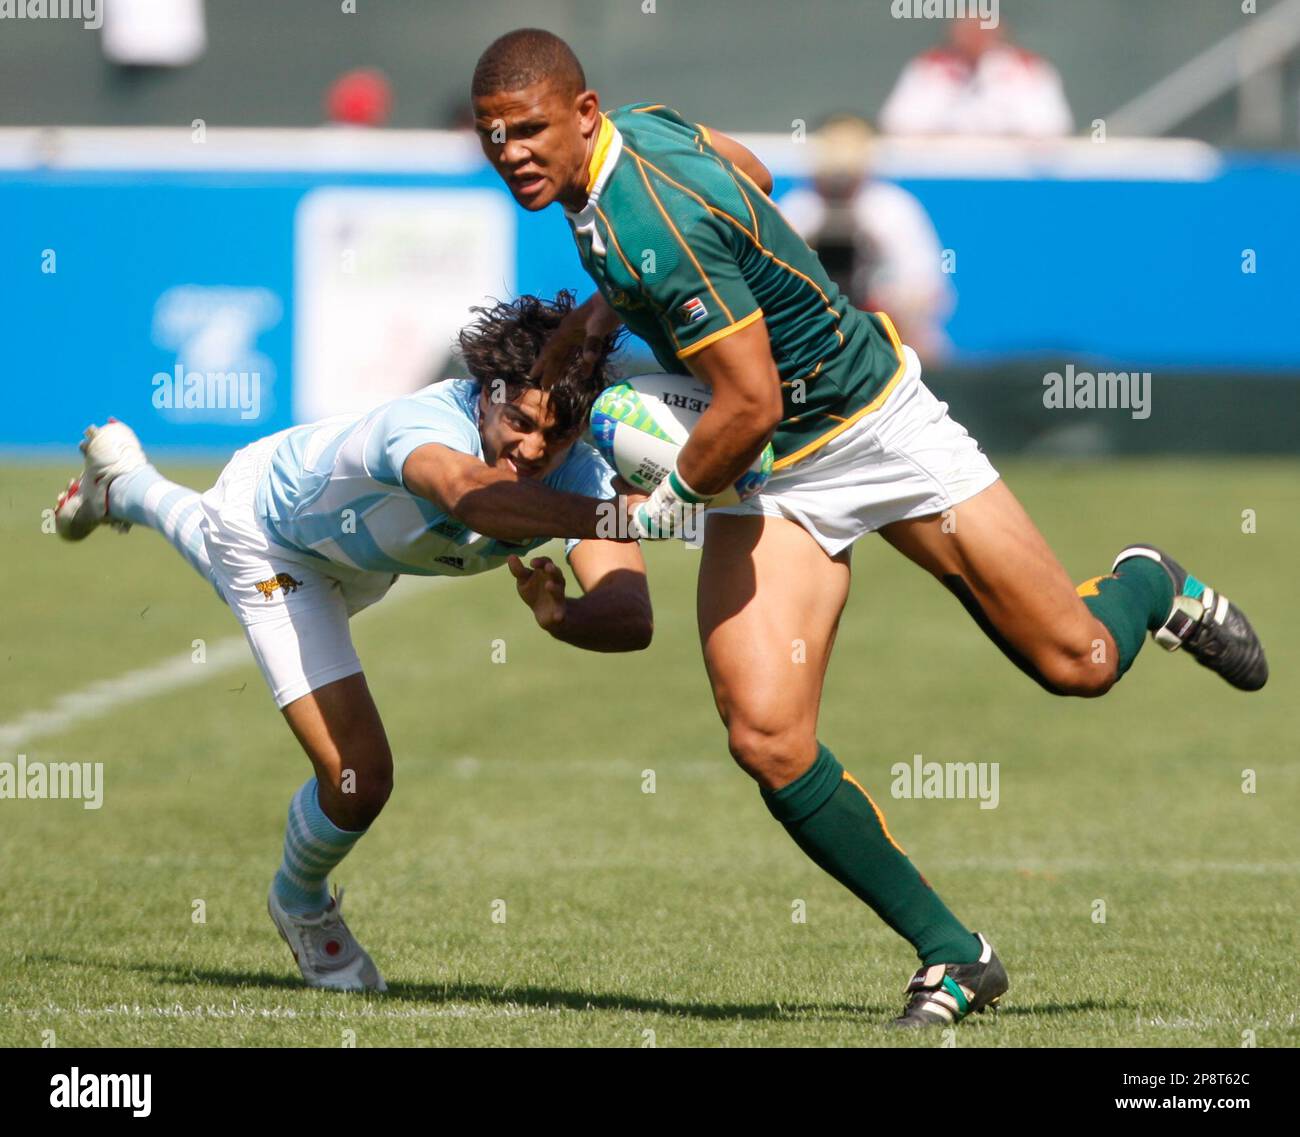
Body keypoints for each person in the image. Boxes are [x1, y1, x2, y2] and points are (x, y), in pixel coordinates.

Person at [468, 28, 1268, 1029]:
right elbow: (748, 173)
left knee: (1080, 662)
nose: (512, 154)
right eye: (494, 137)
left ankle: (1153, 583)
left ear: (582, 114)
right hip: (776, 479)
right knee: (765, 735)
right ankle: (953, 955)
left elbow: (747, 404)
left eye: (529, 130)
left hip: (872, 426)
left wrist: (667, 503)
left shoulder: (643, 221)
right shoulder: (644, 134)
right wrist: (585, 339)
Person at [52, 293, 652, 992]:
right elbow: (472, 498)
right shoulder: (425, 423)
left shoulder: (573, 470)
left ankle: (125, 484)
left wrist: (565, 619)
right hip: (271, 534)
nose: (533, 450)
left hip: (364, 562)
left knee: (204, 534)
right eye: (518, 422)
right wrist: (626, 513)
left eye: (556, 436)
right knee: (359, 777)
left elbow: (630, 615)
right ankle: (300, 902)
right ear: (485, 394)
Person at [778, 114, 954, 362]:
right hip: (813, 342)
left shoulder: (893, 209)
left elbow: (931, 291)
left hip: (892, 342)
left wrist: (881, 302)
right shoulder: (798, 210)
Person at [879, 15, 1073, 138]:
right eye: (968, 32)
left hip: (1011, 170)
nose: (975, 39)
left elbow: (1052, 125)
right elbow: (896, 122)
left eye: (982, 32)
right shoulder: (929, 68)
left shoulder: (1028, 69)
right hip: (945, 166)